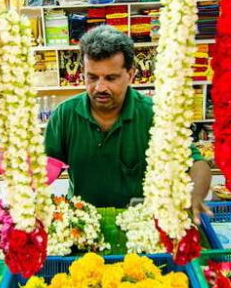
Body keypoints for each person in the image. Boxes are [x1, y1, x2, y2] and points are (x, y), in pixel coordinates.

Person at [44, 25, 213, 223]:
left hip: (141, 224)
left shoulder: (156, 114)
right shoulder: (65, 114)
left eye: (111, 78)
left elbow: (196, 164)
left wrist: (195, 196)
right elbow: (46, 167)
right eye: (92, 77)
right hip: (81, 223)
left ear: (131, 74)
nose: (100, 87)